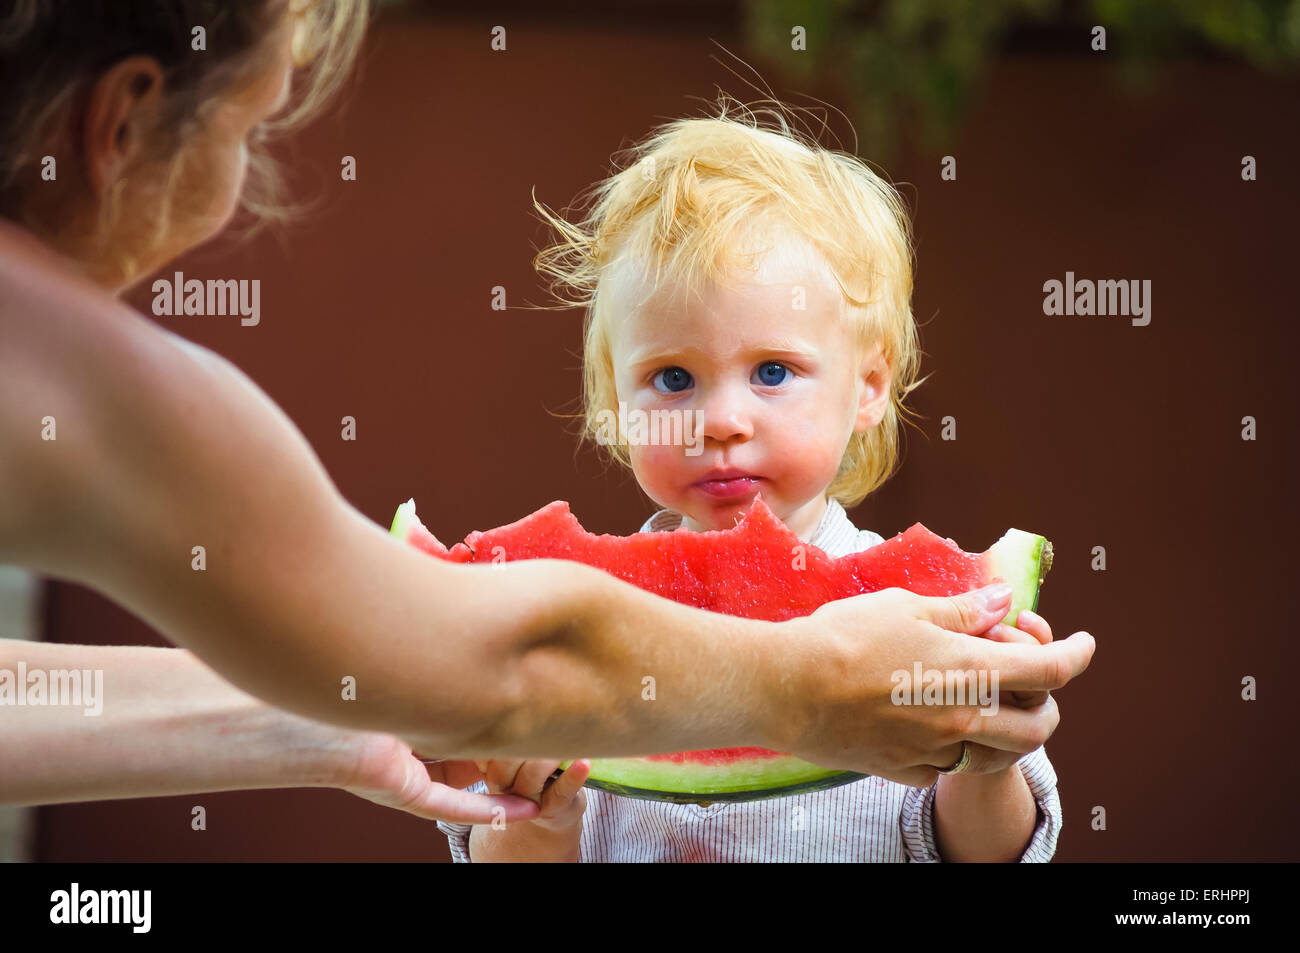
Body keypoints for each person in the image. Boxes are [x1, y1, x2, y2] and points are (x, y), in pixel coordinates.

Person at [0, 0, 1094, 825]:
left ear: (871, 380)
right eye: (258, 120)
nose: (249, 190)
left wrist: (350, 705)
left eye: (772, 370)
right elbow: (515, 672)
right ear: (125, 120)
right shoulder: (93, 383)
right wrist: (807, 680)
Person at [443, 106, 1066, 861]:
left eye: (773, 371)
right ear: (616, 405)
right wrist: (536, 816)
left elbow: (986, 854)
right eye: (672, 377)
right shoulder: (570, 626)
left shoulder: (924, 624)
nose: (722, 420)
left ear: (868, 385)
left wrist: (982, 756)